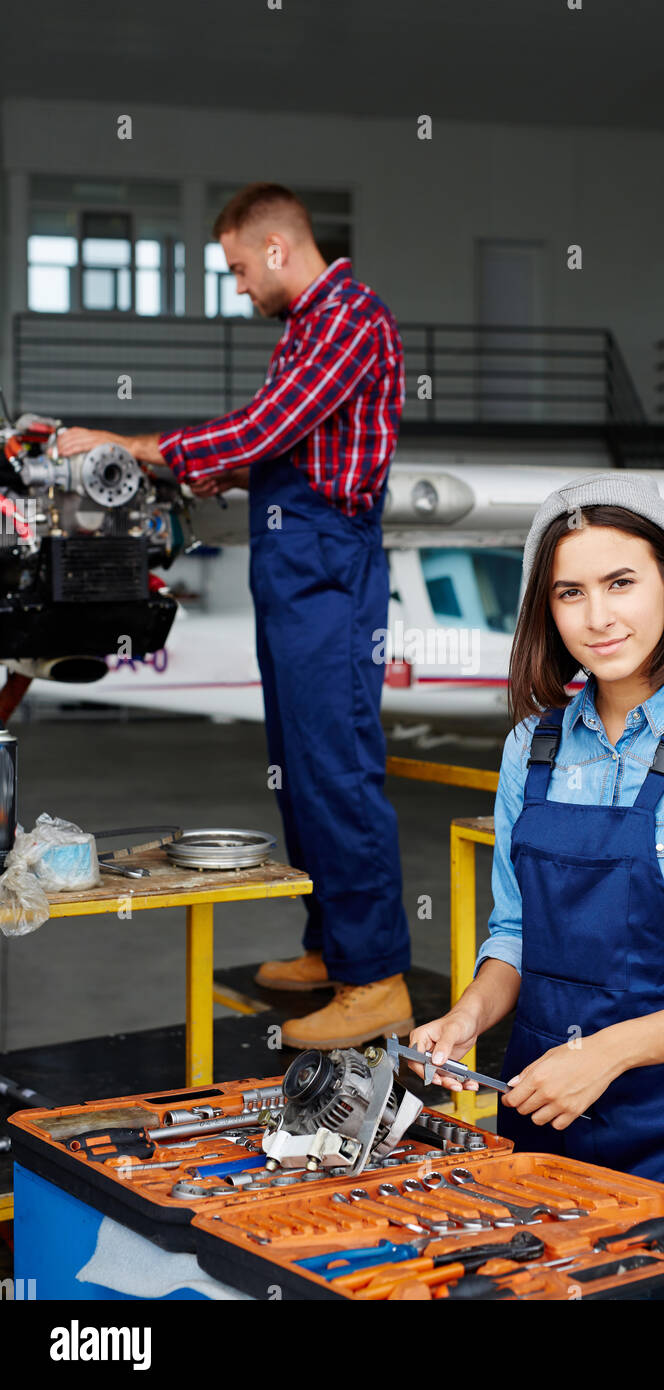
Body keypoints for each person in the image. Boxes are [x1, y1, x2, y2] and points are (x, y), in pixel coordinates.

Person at [56, 182, 414, 1049]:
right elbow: (286, 452)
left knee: (335, 766)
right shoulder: (305, 330)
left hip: (325, 561)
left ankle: (377, 982)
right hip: (296, 557)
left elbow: (263, 430)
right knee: (298, 760)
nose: (240, 287)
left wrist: (122, 446)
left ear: (280, 250)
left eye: (240, 269)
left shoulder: (349, 318)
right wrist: (227, 473)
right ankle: (333, 947)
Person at [409, 473, 664, 1218]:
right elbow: (516, 931)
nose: (596, 617)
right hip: (537, 1111)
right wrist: (467, 1016)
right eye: (569, 592)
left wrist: (603, 1053)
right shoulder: (528, 748)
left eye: (619, 582)